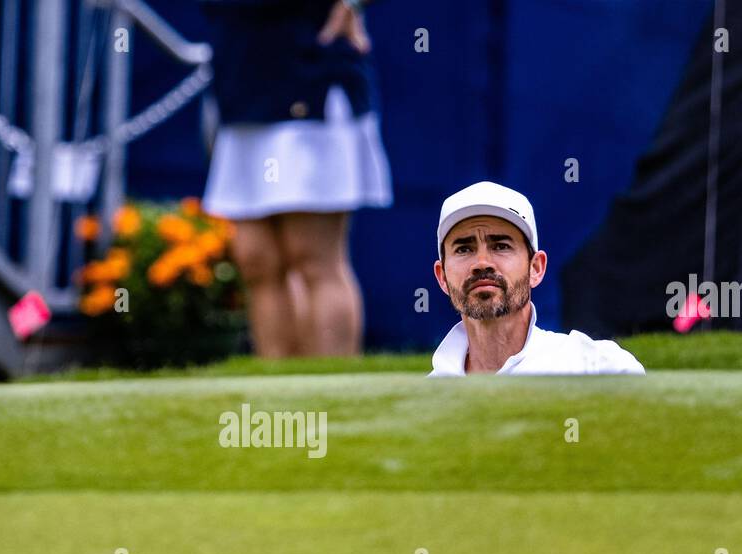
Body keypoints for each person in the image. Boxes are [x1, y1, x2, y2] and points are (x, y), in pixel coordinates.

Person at [199, 0, 392, 357]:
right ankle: (277, 391)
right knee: (256, 258)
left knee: (313, 256)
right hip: (241, 92)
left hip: (313, 86)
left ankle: (332, 393)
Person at [429, 181, 646, 376]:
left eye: (501, 246)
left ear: (536, 268)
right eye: (464, 249)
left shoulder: (597, 368)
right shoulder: (423, 402)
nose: (482, 262)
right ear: (442, 277)